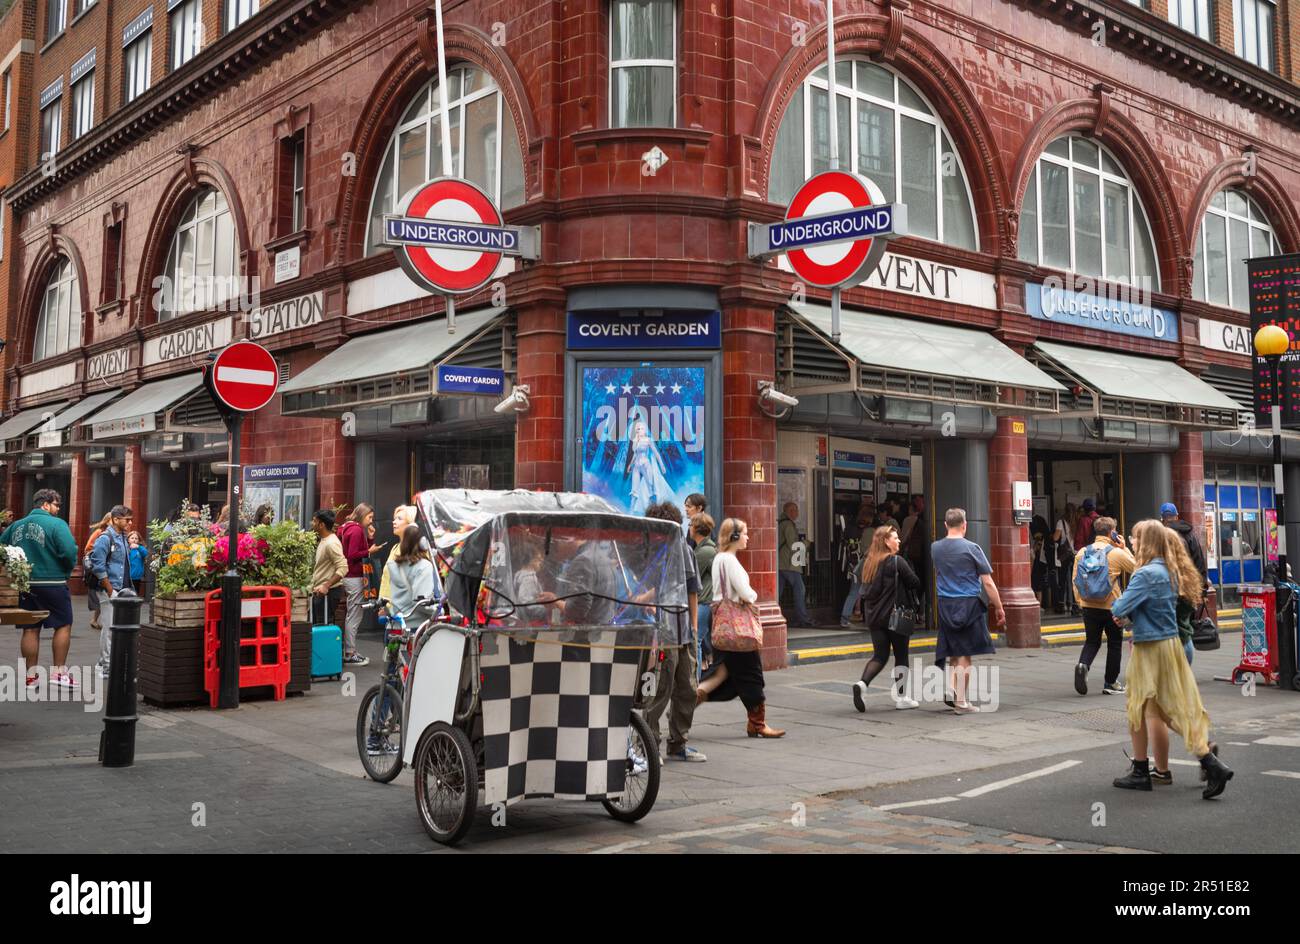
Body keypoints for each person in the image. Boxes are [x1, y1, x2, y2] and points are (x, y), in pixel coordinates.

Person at [1111, 521, 1232, 798]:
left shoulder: (1145, 574)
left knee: (1137, 707)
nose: (1132, 541)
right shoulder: (1170, 570)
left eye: (1135, 538)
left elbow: (1120, 606)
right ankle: (1209, 763)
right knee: (1166, 710)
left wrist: (1123, 611)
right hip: (1170, 645)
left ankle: (1142, 771)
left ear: (1147, 542)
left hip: (1150, 647)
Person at [696, 517, 785, 738]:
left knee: (723, 672)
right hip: (737, 627)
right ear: (734, 536)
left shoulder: (719, 558)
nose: (747, 537)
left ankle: (692, 698)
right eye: (744, 533)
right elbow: (746, 593)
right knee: (751, 672)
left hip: (723, 625)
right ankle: (758, 724)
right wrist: (753, 596)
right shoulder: (730, 561)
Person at [641, 502, 704, 762]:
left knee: (687, 688)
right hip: (661, 631)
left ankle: (678, 741)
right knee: (660, 688)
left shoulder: (683, 551)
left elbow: (692, 590)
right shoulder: (647, 552)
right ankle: (650, 744)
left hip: (682, 630)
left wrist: (694, 626)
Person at [2, 489, 79, 692]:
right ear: (45, 504)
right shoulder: (57, 524)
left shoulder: (16, 525)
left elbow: (2, 547)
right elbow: (70, 551)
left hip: (25, 584)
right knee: (63, 625)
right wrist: (67, 570)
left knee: (30, 628)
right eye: (56, 505)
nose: (58, 509)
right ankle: (59, 672)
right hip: (53, 582)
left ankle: (30, 677)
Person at [931, 508, 1005, 713]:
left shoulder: (935, 548)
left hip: (945, 604)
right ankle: (961, 702)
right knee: (965, 654)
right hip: (967, 604)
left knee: (955, 650)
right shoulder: (972, 548)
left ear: (945, 524)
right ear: (965, 525)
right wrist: (998, 607)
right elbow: (988, 583)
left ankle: (954, 690)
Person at [852, 526, 922, 712]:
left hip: (875, 617)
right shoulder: (896, 561)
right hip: (895, 617)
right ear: (886, 541)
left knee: (879, 656)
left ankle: (862, 684)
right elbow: (915, 582)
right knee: (901, 656)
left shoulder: (868, 562)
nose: (899, 541)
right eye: (895, 538)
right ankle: (902, 698)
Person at [1071, 516, 1136, 696]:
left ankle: (1083, 664)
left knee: (1092, 641)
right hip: (1112, 606)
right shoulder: (1115, 553)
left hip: (1088, 606)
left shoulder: (1082, 552)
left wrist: (1081, 602)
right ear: (1112, 532)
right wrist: (1125, 548)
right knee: (1114, 643)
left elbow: (1075, 580)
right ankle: (1110, 683)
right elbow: (1137, 568)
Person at [89, 505, 134, 679]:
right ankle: (106, 666)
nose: (130, 523)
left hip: (122, 588)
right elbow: (98, 565)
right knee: (109, 628)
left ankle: (103, 662)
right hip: (110, 588)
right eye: (127, 519)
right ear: (115, 519)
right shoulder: (105, 538)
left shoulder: (122, 536)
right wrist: (109, 589)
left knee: (117, 628)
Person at [336, 503, 374, 666]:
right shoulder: (357, 530)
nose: (371, 520)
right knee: (355, 614)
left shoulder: (345, 527)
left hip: (346, 575)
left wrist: (370, 538)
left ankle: (350, 651)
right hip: (355, 575)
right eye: (369, 517)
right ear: (362, 515)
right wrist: (370, 550)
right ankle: (350, 653)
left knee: (352, 612)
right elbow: (353, 554)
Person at [385, 524, 440, 619]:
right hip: (417, 624)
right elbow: (421, 602)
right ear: (423, 543)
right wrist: (439, 610)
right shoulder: (424, 566)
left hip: (398, 622)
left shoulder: (394, 565)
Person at [626, 420, 674, 515]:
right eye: (638, 428)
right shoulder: (635, 440)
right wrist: (630, 465)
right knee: (634, 490)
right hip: (636, 466)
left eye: (641, 428)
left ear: (645, 430)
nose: (639, 430)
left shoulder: (648, 440)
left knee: (651, 488)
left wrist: (662, 465)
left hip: (646, 465)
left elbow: (656, 453)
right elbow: (635, 454)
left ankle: (654, 511)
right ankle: (630, 512)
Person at [310, 509, 347, 626]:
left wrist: (326, 585)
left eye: (314, 521)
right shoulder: (324, 540)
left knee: (324, 628)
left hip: (328, 594)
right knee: (319, 627)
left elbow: (343, 567)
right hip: (320, 592)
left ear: (322, 525)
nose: (312, 523)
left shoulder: (331, 543)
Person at [778, 502, 812, 628]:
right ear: (789, 512)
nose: (797, 512)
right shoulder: (788, 525)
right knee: (800, 589)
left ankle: (776, 614)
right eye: (795, 510)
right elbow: (794, 546)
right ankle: (803, 619)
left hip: (780, 563)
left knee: (778, 592)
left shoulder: (780, 523)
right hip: (789, 563)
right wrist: (806, 543)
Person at [377, 505, 418, 608]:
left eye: (399, 519)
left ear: (410, 523)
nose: (394, 522)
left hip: (403, 610)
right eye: (394, 519)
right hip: (388, 608)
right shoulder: (395, 547)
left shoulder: (414, 548)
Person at [692, 513, 717, 673]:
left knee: (696, 640)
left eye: (690, 525)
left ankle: (696, 678)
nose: (688, 528)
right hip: (707, 601)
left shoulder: (704, 552)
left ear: (696, 529)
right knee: (701, 640)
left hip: (704, 602)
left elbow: (692, 577)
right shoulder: (706, 548)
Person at [1160, 502, 1208, 587]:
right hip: (1188, 584)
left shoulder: (1159, 536)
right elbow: (1199, 562)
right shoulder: (1190, 534)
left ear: (1161, 519)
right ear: (1177, 517)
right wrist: (1203, 589)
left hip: (1168, 585)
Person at [84, 512, 113, 632]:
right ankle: (96, 620)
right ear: (107, 521)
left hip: (107, 567)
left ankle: (95, 620)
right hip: (97, 568)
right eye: (112, 520)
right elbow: (88, 548)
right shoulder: (100, 532)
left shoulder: (114, 534)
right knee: (100, 595)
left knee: (103, 597)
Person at [1054, 503, 1078, 616]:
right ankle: (1074, 605)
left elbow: (1056, 537)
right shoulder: (1076, 522)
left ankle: (1061, 605)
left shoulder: (1061, 522)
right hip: (1076, 554)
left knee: (1063, 580)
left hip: (1065, 555)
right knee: (1074, 580)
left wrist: (1050, 536)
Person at [127, 531, 149, 602]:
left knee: (135, 595)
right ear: (128, 540)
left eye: (136, 538)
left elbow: (145, 553)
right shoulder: (126, 548)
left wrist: (138, 547)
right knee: (126, 595)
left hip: (137, 577)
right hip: (127, 577)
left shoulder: (140, 549)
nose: (134, 540)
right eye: (132, 538)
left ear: (139, 540)